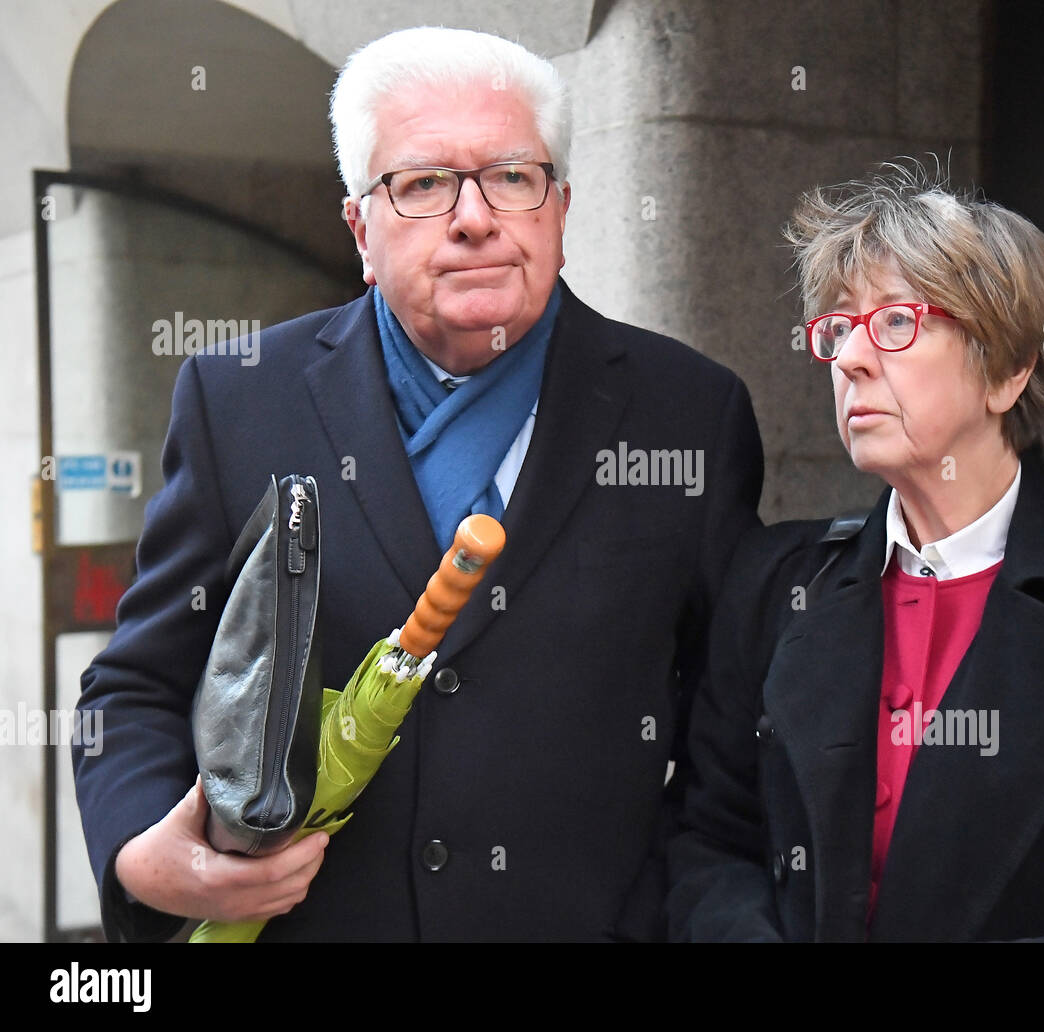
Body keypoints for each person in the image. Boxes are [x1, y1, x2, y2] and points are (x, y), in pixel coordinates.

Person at [72, 26, 762, 942]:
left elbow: (733, 732)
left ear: (559, 206)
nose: (475, 217)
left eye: (512, 176)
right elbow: (138, 687)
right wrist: (145, 856)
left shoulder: (689, 413)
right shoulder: (240, 397)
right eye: (425, 184)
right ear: (361, 227)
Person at [666, 164, 1044, 942]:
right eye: (839, 328)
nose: (850, 358)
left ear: (1009, 368)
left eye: (893, 324)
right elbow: (708, 847)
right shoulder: (774, 581)